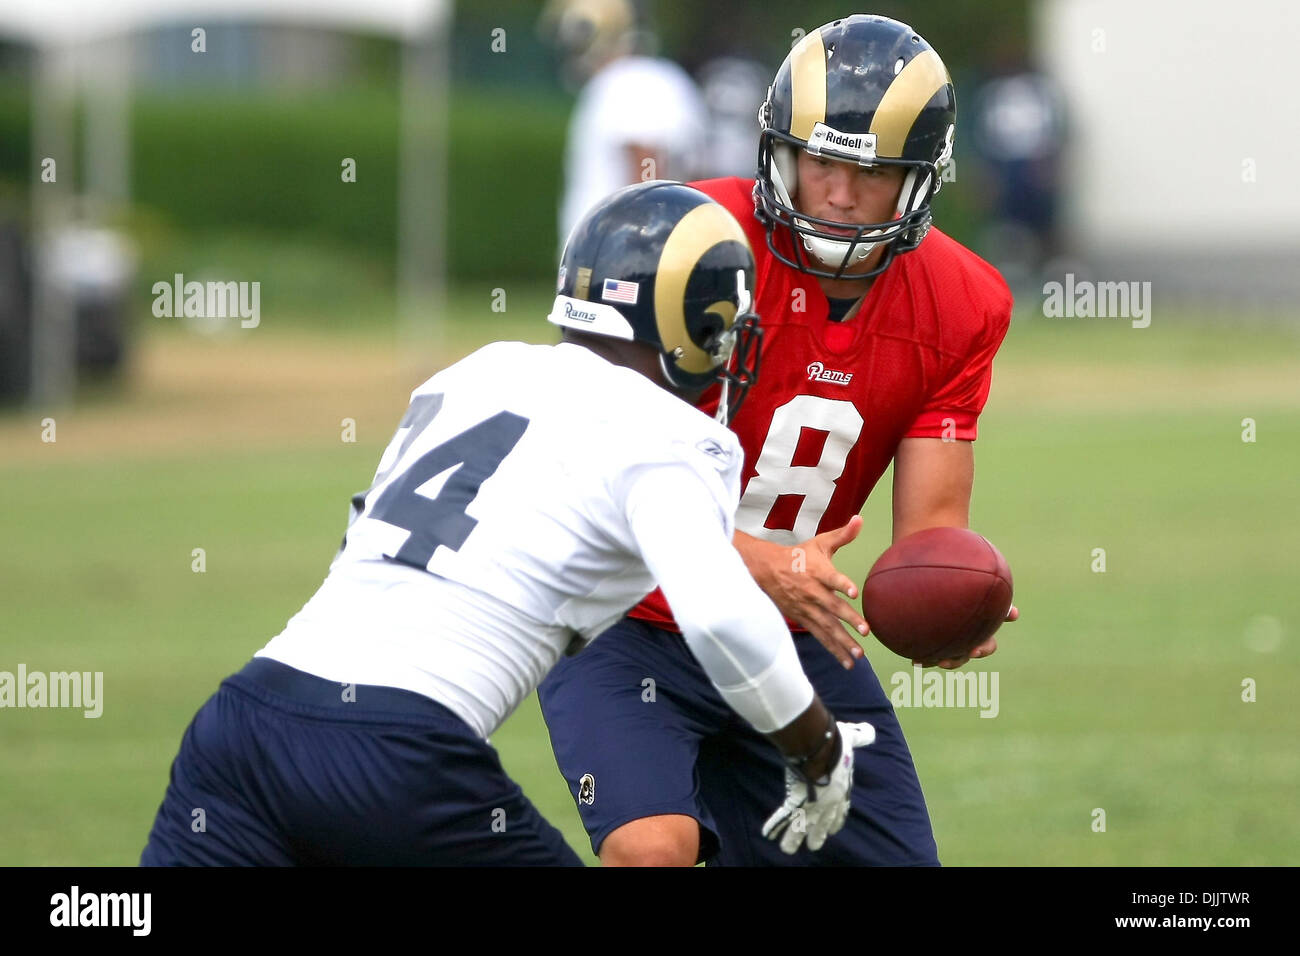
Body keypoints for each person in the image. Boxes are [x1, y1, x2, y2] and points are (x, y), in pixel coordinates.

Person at [139, 181, 875, 866]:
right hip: (401, 754)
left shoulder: (473, 373)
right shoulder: (672, 435)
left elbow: (359, 535)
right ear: (700, 323)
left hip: (242, 727)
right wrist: (817, 749)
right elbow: (720, 621)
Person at [538, 14, 1019, 867]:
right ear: (778, 149)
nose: (836, 191)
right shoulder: (689, 243)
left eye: (870, 173)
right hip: (626, 612)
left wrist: (948, 601)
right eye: (820, 158)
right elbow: (589, 466)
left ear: (920, 180)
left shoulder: (963, 300)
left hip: (792, 629)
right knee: (653, 850)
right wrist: (760, 561)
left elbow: (930, 530)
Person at [541, 0, 709, 245]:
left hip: (619, 252)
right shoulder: (663, 77)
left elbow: (647, 164)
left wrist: (642, 243)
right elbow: (700, 173)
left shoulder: (625, 82)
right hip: (667, 246)